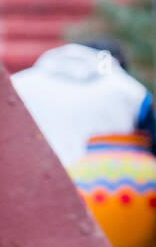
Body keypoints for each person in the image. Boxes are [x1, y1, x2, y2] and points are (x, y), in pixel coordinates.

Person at [10, 38, 155, 168]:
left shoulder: (17, 84)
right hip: (105, 190)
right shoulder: (129, 90)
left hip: (32, 184)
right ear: (117, 61)